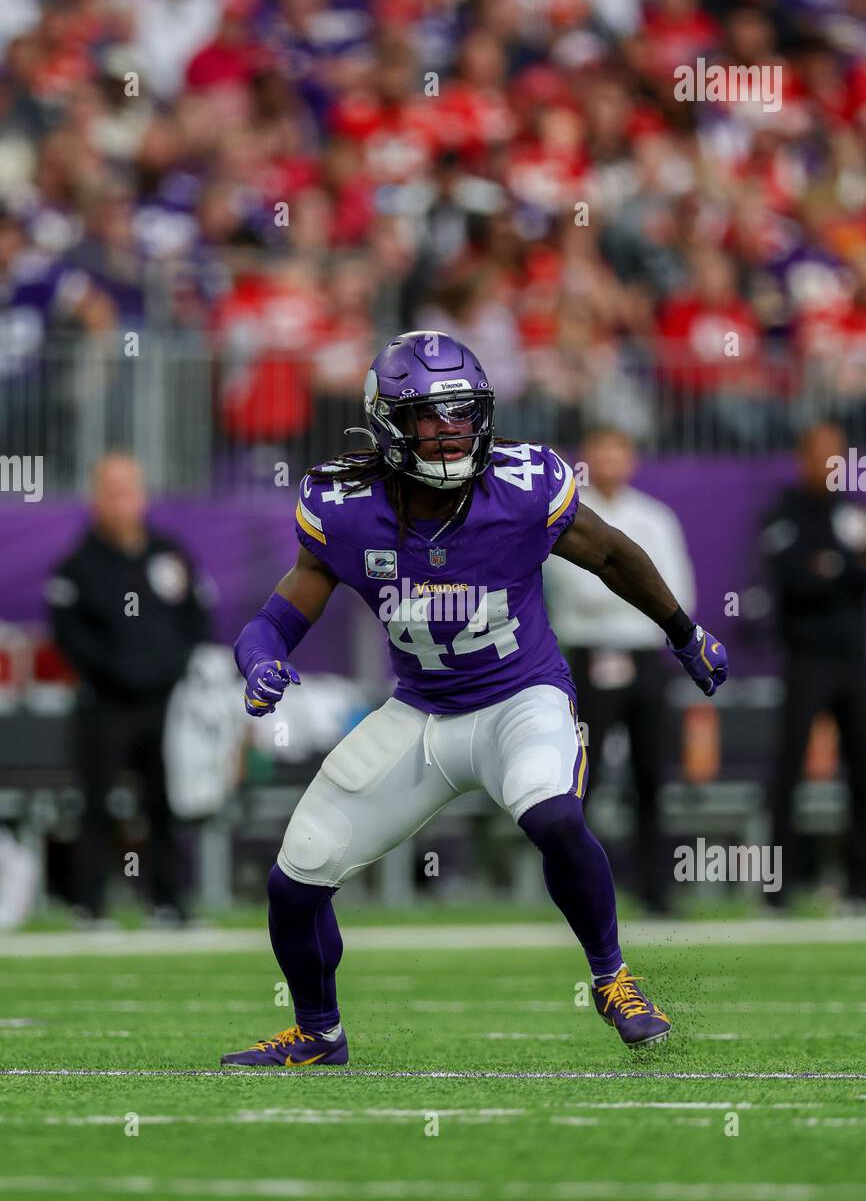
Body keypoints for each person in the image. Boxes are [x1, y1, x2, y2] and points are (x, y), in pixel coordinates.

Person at [222, 332, 727, 1068]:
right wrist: (260, 657)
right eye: (432, 415)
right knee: (296, 876)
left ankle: (613, 978)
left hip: (520, 698)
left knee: (552, 810)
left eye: (465, 412)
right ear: (389, 420)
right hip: (420, 713)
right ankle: (318, 1032)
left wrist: (684, 633)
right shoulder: (345, 505)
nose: (453, 429)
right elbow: (280, 614)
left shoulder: (522, 486)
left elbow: (613, 552)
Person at [46, 453, 213, 923]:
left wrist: (172, 669)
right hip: (105, 704)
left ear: (142, 495)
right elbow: (68, 633)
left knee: (165, 802)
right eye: (111, 490)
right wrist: (116, 673)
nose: (121, 501)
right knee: (97, 803)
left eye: (128, 489)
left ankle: (170, 903)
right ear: (96, 498)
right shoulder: (79, 565)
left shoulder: (168, 554)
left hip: (165, 703)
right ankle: (91, 905)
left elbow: (195, 617)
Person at [543, 427, 696, 915]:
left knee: (652, 773)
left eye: (617, 453)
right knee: (581, 778)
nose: (609, 462)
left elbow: (677, 593)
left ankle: (655, 888)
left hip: (644, 656)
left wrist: (639, 607)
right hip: (589, 656)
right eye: (599, 454)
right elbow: (578, 591)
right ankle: (576, 891)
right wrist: (639, 599)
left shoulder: (654, 517)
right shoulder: (567, 515)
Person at [762, 422, 866, 909]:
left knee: (862, 768)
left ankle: (858, 882)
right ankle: (778, 886)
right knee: (789, 770)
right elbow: (794, 580)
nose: (828, 464)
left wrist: (832, 567)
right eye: (819, 453)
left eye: (835, 455)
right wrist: (845, 568)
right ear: (802, 458)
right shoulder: (784, 513)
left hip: (855, 659)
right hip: (806, 658)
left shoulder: (850, 514)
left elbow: (833, 574)